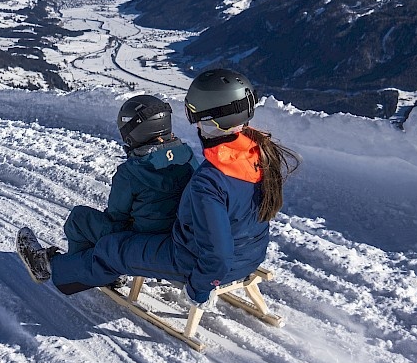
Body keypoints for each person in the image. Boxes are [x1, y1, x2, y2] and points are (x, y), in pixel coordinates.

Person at [19, 68, 300, 308]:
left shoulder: (210, 181)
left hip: (194, 261)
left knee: (112, 248)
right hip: (250, 255)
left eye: (195, 117)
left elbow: (218, 254)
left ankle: (52, 269)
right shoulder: (259, 153)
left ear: (208, 121)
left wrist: (201, 289)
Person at [62, 94, 197, 254]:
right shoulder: (187, 156)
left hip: (142, 244)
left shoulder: (129, 172)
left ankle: (81, 267)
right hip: (183, 237)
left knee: (79, 218)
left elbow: (116, 217)